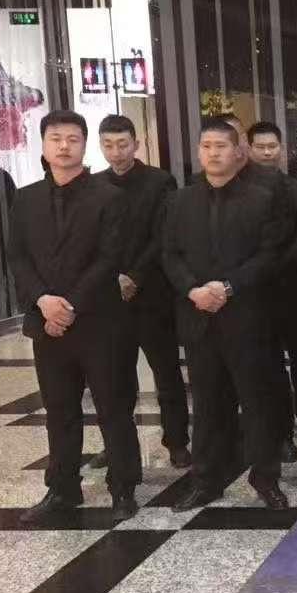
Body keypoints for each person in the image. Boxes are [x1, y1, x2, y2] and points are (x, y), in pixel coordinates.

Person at [8, 110, 142, 522]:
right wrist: (43, 301)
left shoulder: (110, 197)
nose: (64, 146)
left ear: (84, 145)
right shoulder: (25, 198)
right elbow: (18, 258)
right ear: (44, 145)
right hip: (47, 323)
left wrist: (67, 306)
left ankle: (123, 488)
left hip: (100, 322)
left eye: (72, 139)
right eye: (55, 138)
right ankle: (63, 489)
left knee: (112, 408)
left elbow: (109, 258)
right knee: (59, 410)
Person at [161, 117, 286, 511]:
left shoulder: (262, 198)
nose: (213, 153)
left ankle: (265, 478)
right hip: (199, 317)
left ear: (238, 152)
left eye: (221, 146)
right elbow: (170, 254)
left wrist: (227, 287)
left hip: (248, 317)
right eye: (206, 146)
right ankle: (206, 480)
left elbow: (270, 255)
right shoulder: (180, 201)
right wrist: (193, 290)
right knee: (207, 405)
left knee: (258, 403)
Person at [94, 115, 190, 469]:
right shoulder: (94, 185)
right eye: (108, 145)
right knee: (113, 380)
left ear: (136, 144)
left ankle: (177, 441)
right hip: (110, 297)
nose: (116, 152)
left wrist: (134, 276)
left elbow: (163, 236)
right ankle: (116, 445)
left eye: (122, 144)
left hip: (152, 295)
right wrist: (113, 278)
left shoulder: (160, 182)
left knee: (166, 374)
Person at [221, 113, 297, 464]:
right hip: (221, 297)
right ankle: (232, 436)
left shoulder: (273, 185)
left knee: (270, 368)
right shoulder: (201, 187)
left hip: (269, 290)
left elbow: (283, 241)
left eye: (234, 138)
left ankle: (281, 435)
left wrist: (250, 274)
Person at [248, 121, 297, 439]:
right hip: (254, 290)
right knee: (269, 360)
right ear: (248, 149)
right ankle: (281, 427)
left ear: (281, 149)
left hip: (293, 285)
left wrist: (272, 264)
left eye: (272, 146)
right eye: (260, 147)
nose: (267, 152)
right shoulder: (239, 190)